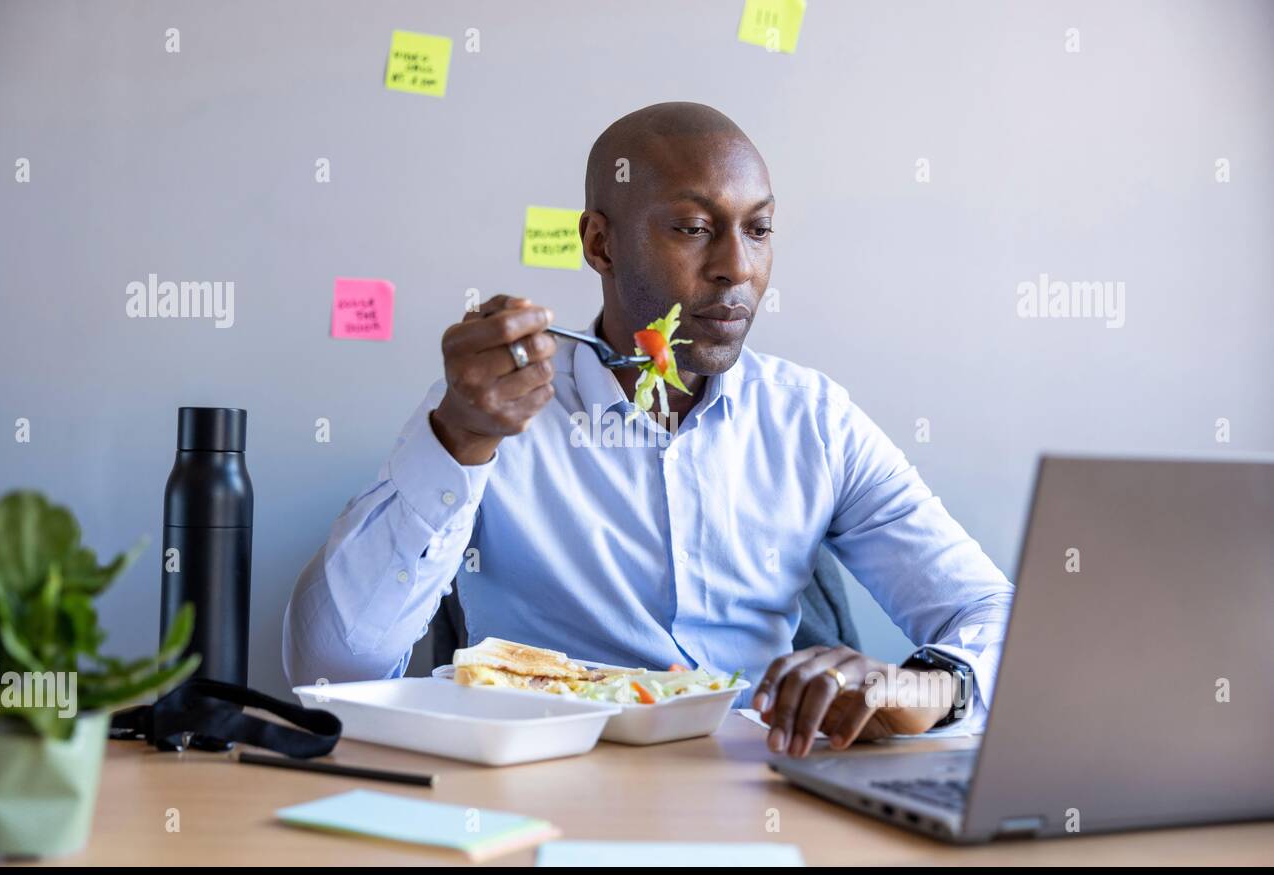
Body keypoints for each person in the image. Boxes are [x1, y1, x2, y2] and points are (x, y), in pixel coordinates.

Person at [283, 101, 1014, 757]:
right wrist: (459, 442)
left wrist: (923, 690)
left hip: (764, 792)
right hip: (552, 788)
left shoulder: (811, 420)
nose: (737, 269)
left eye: (758, 230)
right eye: (694, 229)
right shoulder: (496, 407)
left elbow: (995, 613)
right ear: (601, 244)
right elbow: (330, 668)